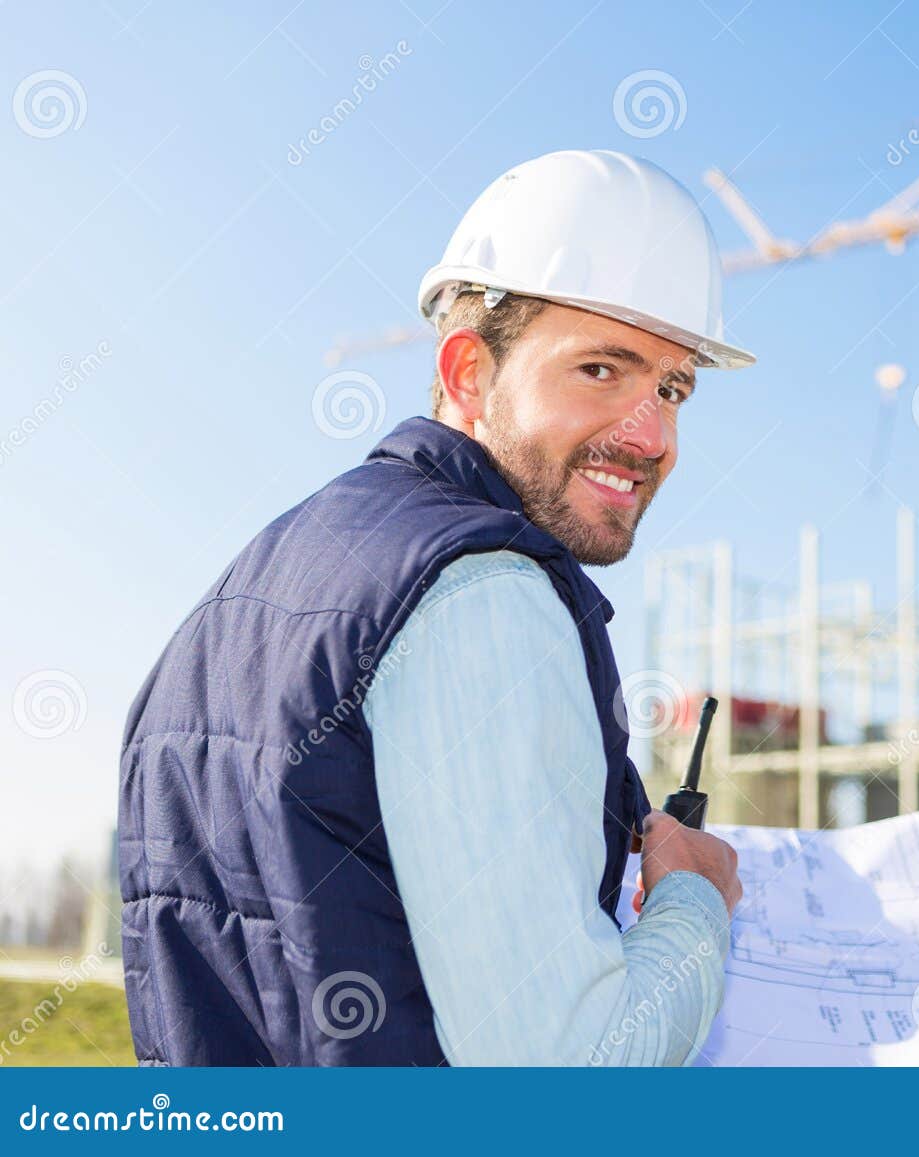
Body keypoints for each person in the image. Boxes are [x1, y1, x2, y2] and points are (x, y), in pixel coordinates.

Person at [118, 150, 753, 1065]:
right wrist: (694, 897)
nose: (652, 434)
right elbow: (571, 1077)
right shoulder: (486, 593)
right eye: (602, 369)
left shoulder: (240, 596)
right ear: (467, 375)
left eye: (674, 386)